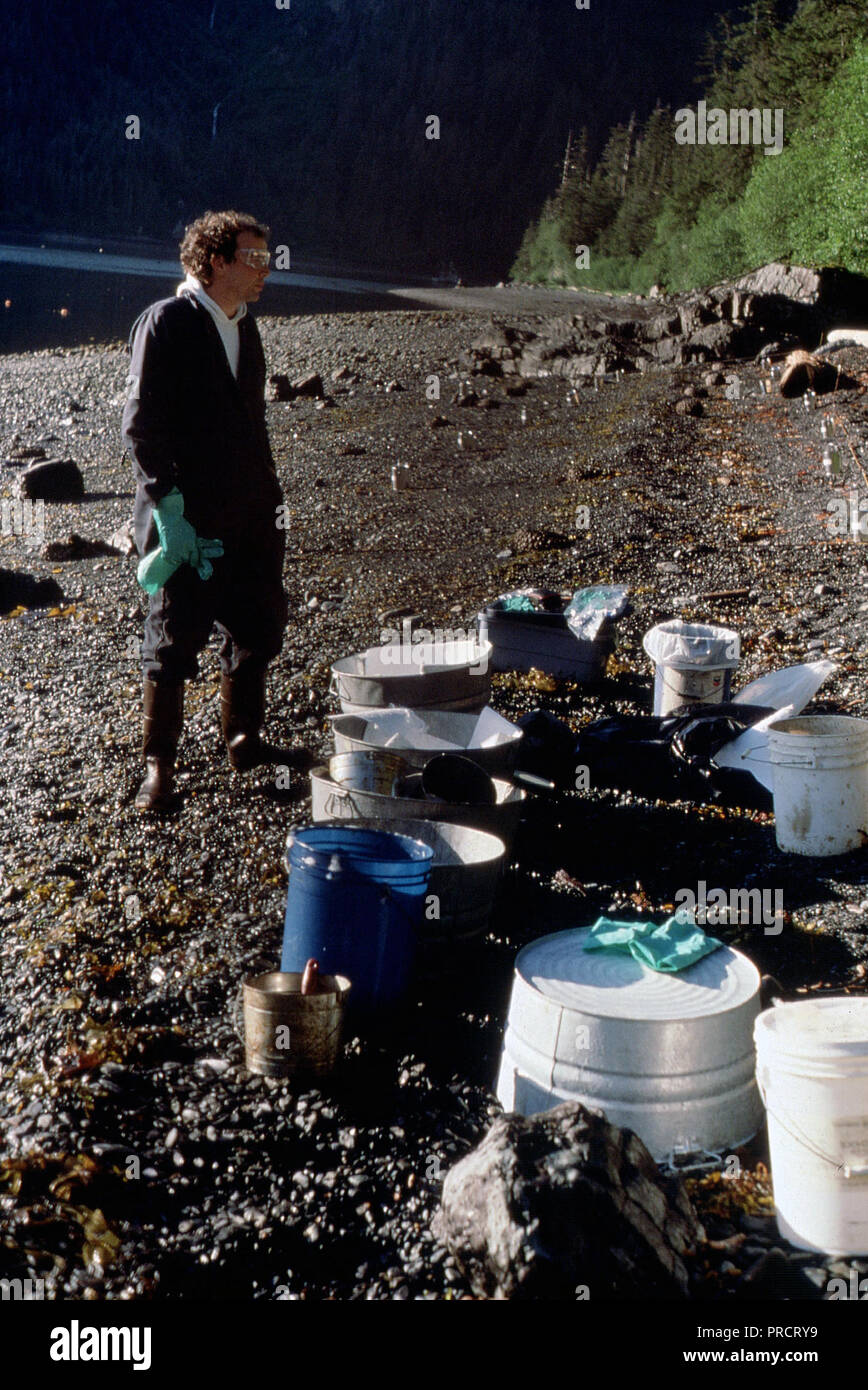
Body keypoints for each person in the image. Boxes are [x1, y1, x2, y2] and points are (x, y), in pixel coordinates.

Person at [122, 209, 306, 812]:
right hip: (187, 518)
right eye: (255, 259)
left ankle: (244, 739)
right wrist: (168, 508)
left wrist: (271, 497)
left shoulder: (244, 327)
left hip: (250, 512)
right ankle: (159, 769)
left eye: (267, 260)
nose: (265, 272)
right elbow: (144, 427)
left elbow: (252, 424)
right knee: (173, 638)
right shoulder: (167, 322)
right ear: (218, 260)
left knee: (256, 627)